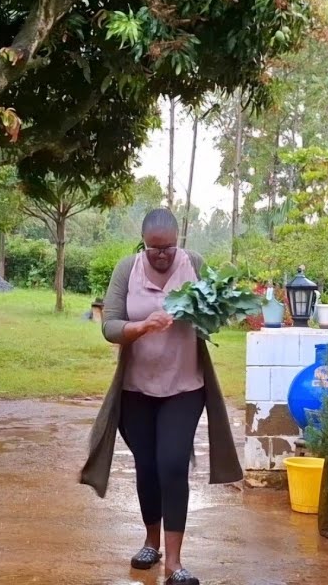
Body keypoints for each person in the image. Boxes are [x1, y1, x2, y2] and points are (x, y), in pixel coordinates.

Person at [79, 208, 243, 585]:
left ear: (177, 241)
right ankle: (150, 542)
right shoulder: (127, 269)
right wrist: (142, 326)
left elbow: (214, 314)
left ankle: (175, 563)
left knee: (171, 464)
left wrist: (211, 311)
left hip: (185, 387)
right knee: (147, 466)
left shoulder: (194, 264)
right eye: (154, 249)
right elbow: (110, 325)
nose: (162, 256)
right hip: (136, 389)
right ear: (143, 244)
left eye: (168, 247)